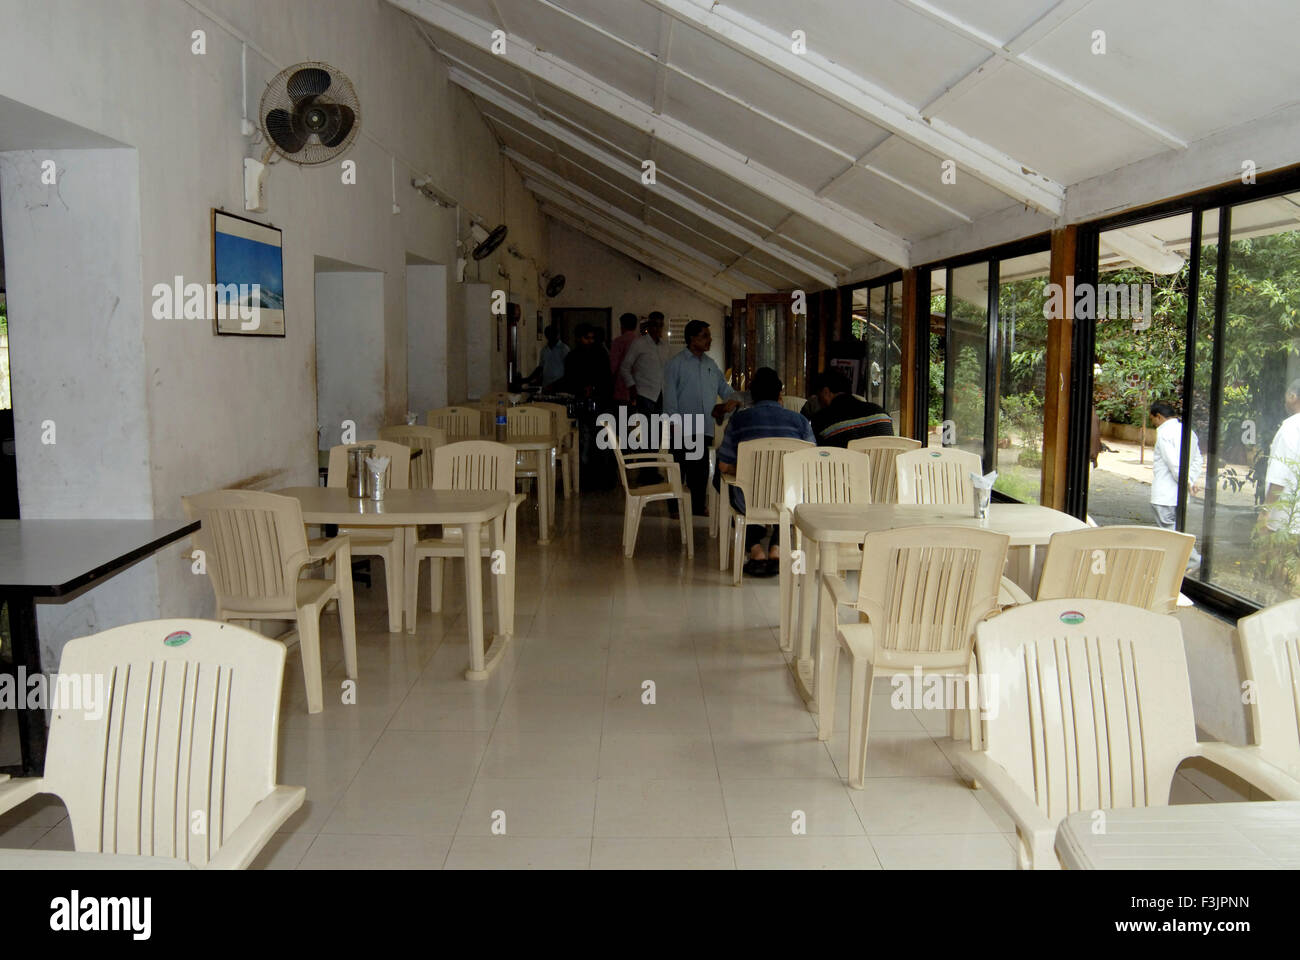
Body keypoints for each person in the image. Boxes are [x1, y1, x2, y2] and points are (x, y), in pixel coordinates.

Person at [716, 367, 814, 577]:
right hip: (788, 499)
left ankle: (755, 550)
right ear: (780, 394)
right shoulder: (800, 422)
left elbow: (724, 467)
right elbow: (810, 463)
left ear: (752, 395)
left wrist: (751, 470)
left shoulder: (739, 420)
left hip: (749, 500)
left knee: (726, 486)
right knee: (785, 495)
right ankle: (777, 548)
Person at [662, 319, 740, 517]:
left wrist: (738, 400)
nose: (709, 340)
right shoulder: (676, 364)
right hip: (681, 425)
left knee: (700, 470)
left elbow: (725, 390)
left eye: (709, 336)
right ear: (691, 338)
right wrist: (673, 422)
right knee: (679, 469)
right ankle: (675, 508)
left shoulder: (710, 365)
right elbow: (669, 396)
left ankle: (697, 506)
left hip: (703, 425)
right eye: (704, 336)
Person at [1149, 400, 1203, 570]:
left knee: (1171, 533)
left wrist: (1186, 482)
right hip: (1179, 496)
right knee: (1175, 530)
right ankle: (1177, 566)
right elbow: (1197, 460)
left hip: (1164, 494)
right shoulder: (1189, 433)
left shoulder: (1164, 433)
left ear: (1159, 416)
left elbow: (1173, 463)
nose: (1154, 424)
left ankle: (1193, 560)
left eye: (1153, 420)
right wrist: (1190, 481)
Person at [563, 324, 614, 487]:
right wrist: (582, 388)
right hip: (582, 405)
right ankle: (584, 477)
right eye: (586, 338)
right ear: (579, 339)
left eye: (592, 338)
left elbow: (607, 378)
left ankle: (602, 477)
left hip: (600, 403)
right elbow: (569, 380)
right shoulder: (572, 356)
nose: (590, 341)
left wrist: (594, 388)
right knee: (584, 439)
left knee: (600, 439)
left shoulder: (601, 354)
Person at [808, 369, 892, 446]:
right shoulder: (882, 413)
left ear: (826, 392)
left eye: (818, 396)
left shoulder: (821, 421)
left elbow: (818, 456)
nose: (818, 401)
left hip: (845, 462)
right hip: (884, 462)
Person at [1264, 378, 1300, 533]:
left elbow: (1280, 475)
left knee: (1278, 557)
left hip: (1286, 523)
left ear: (1292, 396)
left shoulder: (1291, 427)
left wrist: (1265, 511)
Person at [609, 313, 640, 406]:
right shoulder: (641, 342)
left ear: (622, 325)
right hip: (639, 389)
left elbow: (612, 367)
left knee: (622, 418)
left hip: (622, 389)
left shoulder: (618, 342)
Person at [526, 325, 569, 390]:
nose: (550, 337)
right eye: (548, 335)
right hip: (546, 385)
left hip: (560, 386)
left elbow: (568, 369)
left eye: (553, 334)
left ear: (557, 334)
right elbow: (541, 368)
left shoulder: (564, 349)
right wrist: (528, 379)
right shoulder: (544, 350)